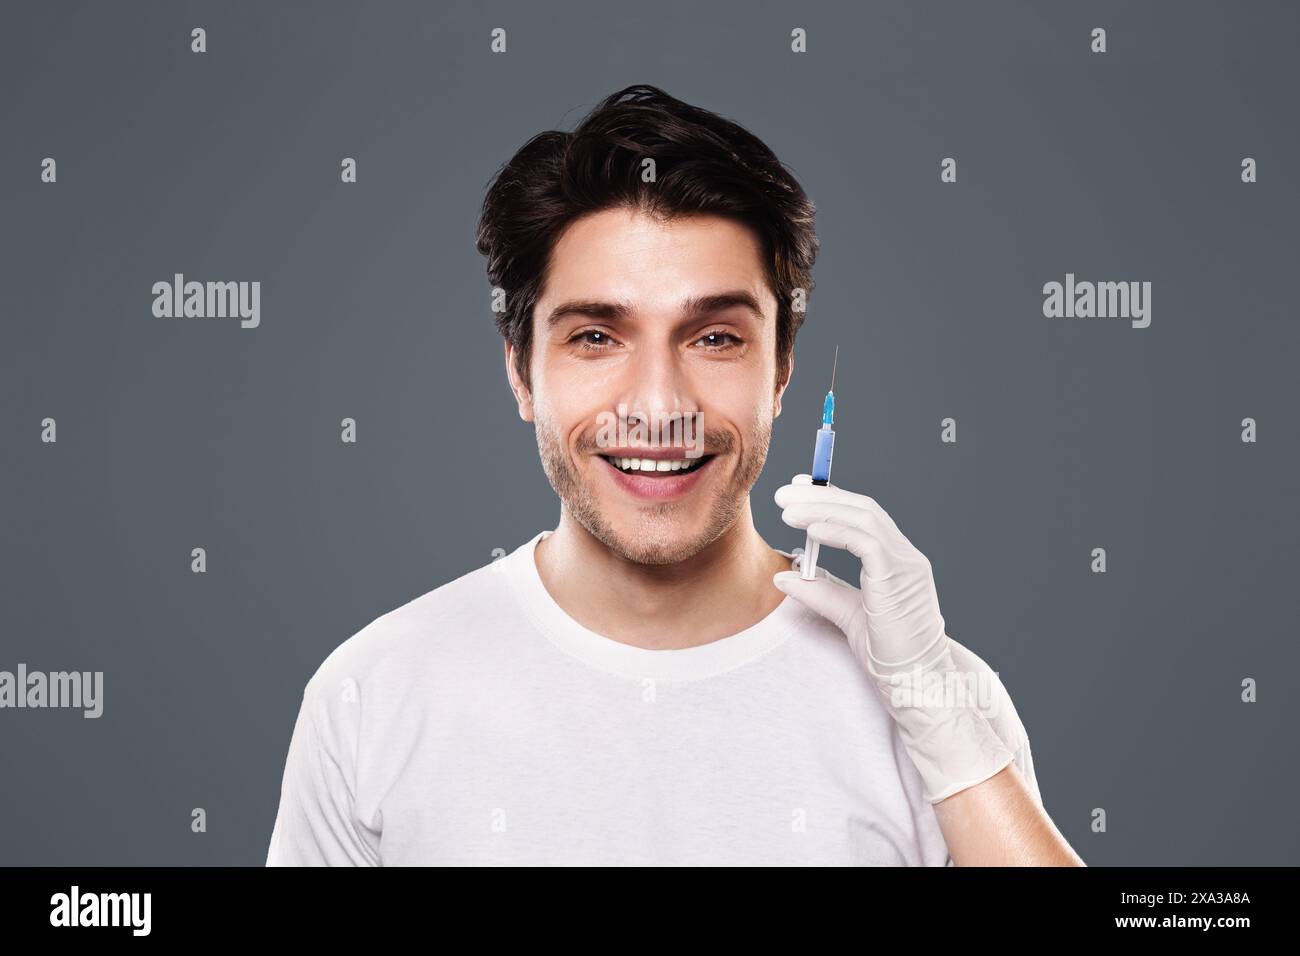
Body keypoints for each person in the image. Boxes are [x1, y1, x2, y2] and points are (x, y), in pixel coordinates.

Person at [266, 84, 1083, 866]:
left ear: (782, 369)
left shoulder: (940, 702)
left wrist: (941, 726)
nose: (660, 410)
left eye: (716, 339)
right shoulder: (372, 697)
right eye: (595, 337)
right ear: (520, 371)